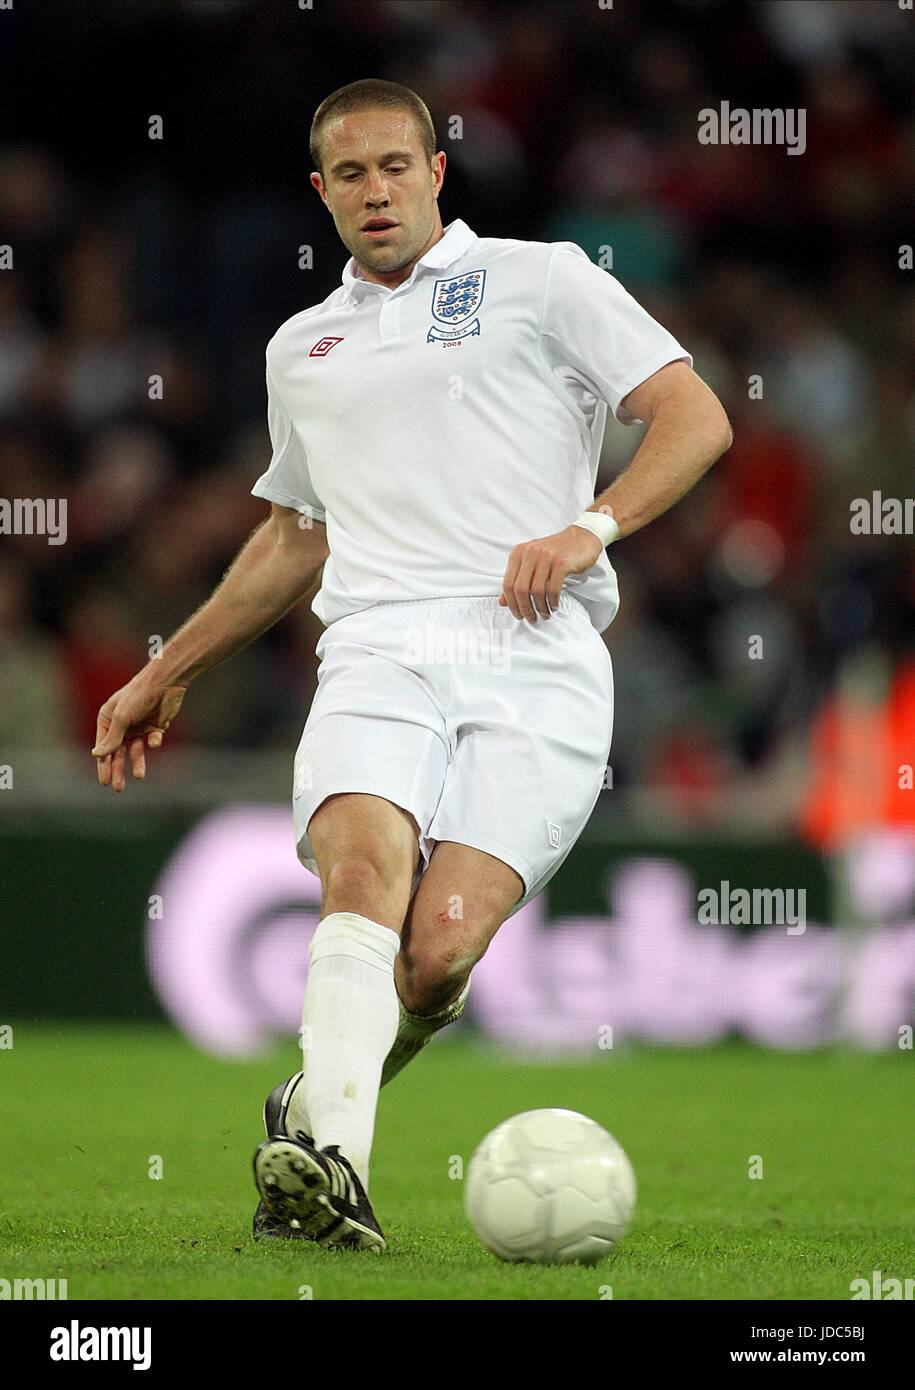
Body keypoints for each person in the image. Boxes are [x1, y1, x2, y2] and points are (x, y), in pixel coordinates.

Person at [92, 79, 732, 1251]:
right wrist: (166, 666)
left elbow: (694, 416)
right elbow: (296, 530)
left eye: (397, 165)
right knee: (359, 867)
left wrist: (588, 528)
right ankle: (334, 1168)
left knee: (435, 955)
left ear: (438, 171)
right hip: (379, 642)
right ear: (321, 192)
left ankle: (315, 1099)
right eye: (351, 173)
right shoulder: (305, 348)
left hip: (537, 653)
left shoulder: (546, 281)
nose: (377, 190)